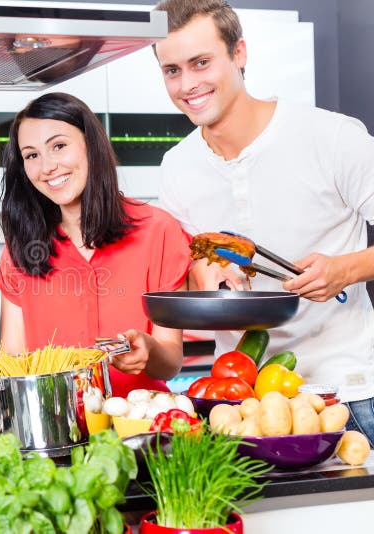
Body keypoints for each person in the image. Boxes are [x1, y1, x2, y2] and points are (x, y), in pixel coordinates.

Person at [153, 0, 374, 442]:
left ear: (239, 54)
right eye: (172, 70)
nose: (188, 84)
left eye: (201, 63)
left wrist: (344, 270)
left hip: (345, 398)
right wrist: (211, 276)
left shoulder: (331, 137)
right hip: (238, 406)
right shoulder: (176, 167)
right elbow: (193, 267)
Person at [0, 92, 191, 397]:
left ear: (92, 145)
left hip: (140, 428)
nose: (47, 166)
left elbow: (171, 363)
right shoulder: (22, 248)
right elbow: (16, 364)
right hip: (56, 430)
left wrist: (148, 350)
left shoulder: (158, 231)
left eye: (58, 146)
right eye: (32, 155)